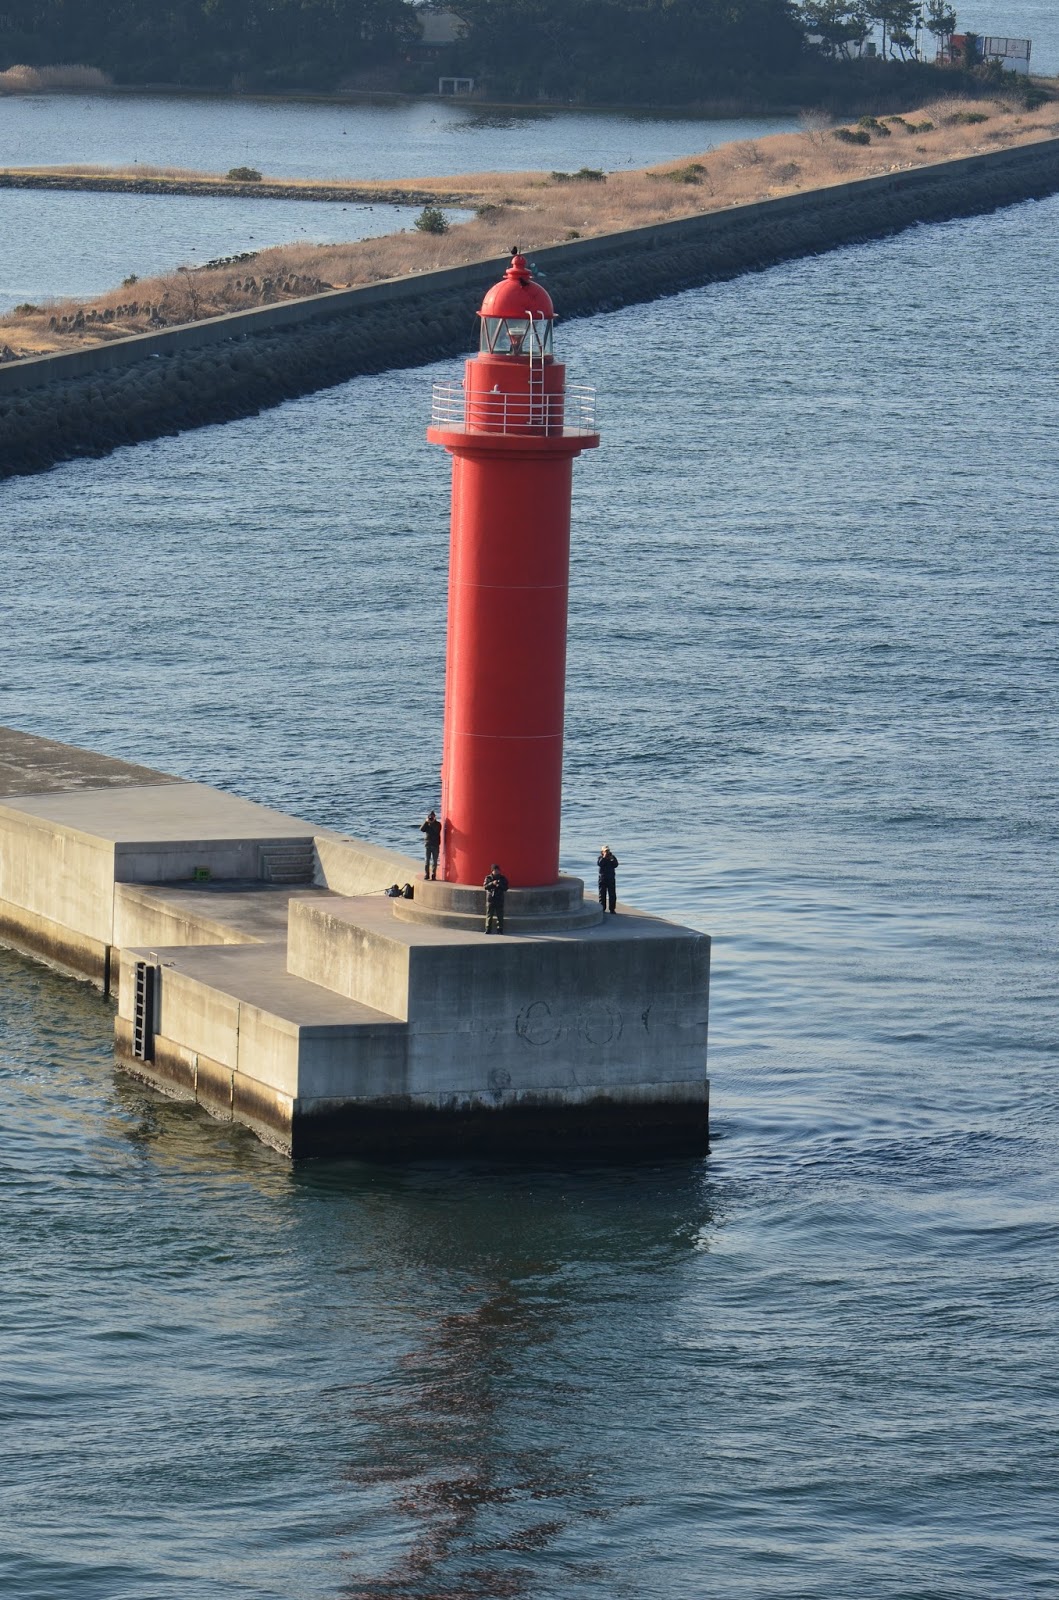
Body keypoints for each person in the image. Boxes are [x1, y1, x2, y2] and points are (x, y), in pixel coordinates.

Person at [483, 863, 509, 934]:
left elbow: (506, 888)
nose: (496, 872)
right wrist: (492, 883)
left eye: (498, 870)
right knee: (489, 915)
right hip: (490, 899)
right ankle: (488, 928)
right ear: (492, 871)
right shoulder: (488, 878)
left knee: (500, 915)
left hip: (499, 899)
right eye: (495, 870)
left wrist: (499, 885)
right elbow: (485, 886)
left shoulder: (503, 878)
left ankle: (500, 929)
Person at [419, 809, 441, 880]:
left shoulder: (438, 824)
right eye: (430, 817)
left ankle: (433, 875)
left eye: (432, 817)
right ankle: (427, 874)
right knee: (427, 861)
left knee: (434, 861)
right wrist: (426, 822)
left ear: (435, 817)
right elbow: (421, 829)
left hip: (435, 845)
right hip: (428, 845)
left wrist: (432, 822)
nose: (431, 818)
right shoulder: (427, 824)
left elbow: (436, 831)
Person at [597, 845, 619, 913]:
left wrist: (612, 859)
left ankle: (612, 909)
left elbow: (616, 865)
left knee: (612, 894)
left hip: (611, 878)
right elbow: (600, 864)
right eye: (605, 851)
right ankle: (602, 908)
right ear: (602, 852)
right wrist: (604, 857)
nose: (607, 852)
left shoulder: (612, 857)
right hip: (603, 879)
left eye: (608, 851)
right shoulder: (600, 858)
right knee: (602, 894)